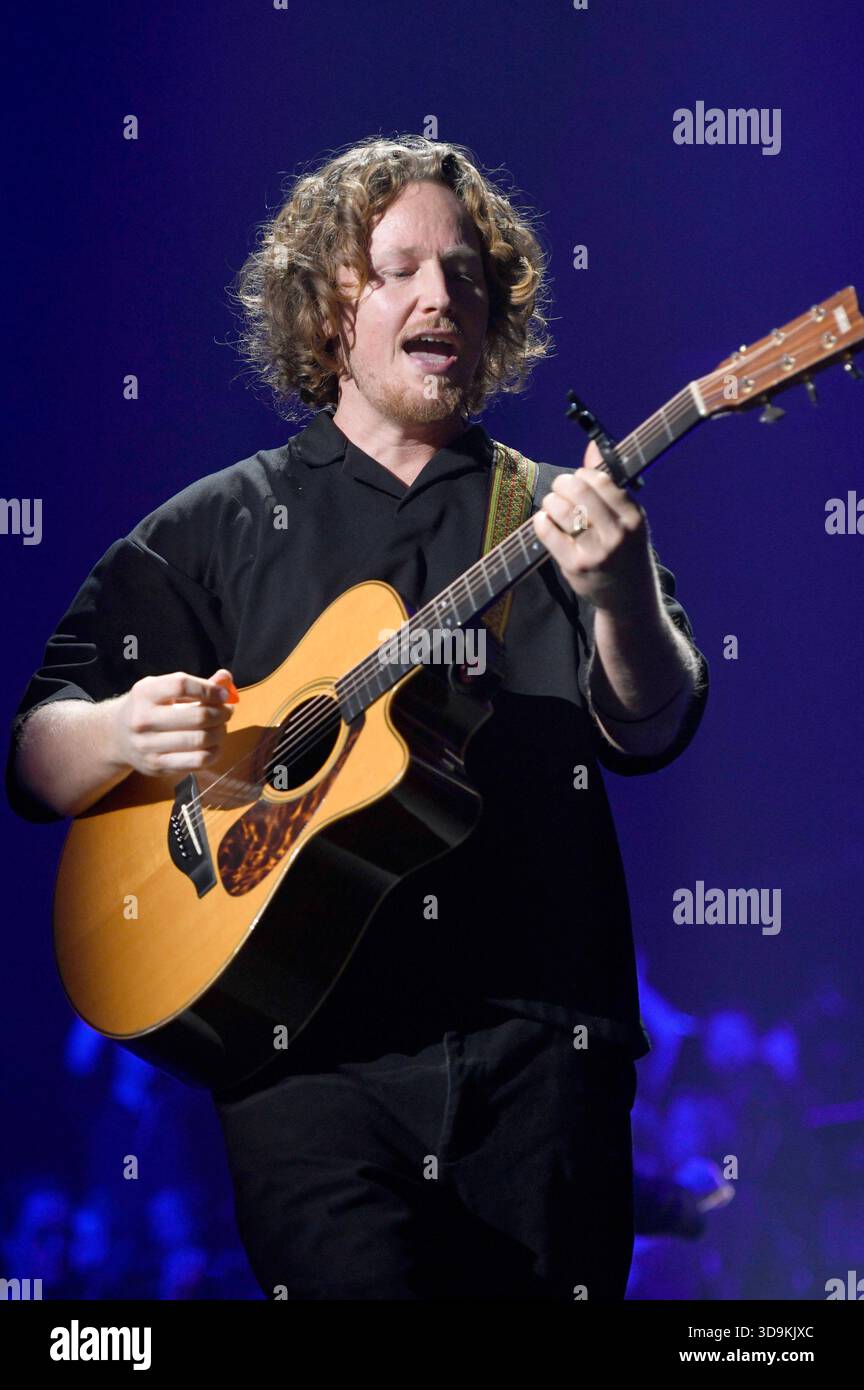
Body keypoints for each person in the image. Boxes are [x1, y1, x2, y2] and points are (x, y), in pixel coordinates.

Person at [6, 134, 708, 1300]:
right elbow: (37, 755)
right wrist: (120, 732)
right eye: (399, 269)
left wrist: (622, 594)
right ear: (327, 309)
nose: (443, 294)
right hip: (303, 1063)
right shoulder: (216, 526)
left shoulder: (554, 511)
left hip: (544, 1052)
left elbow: (653, 726)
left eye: (468, 274)